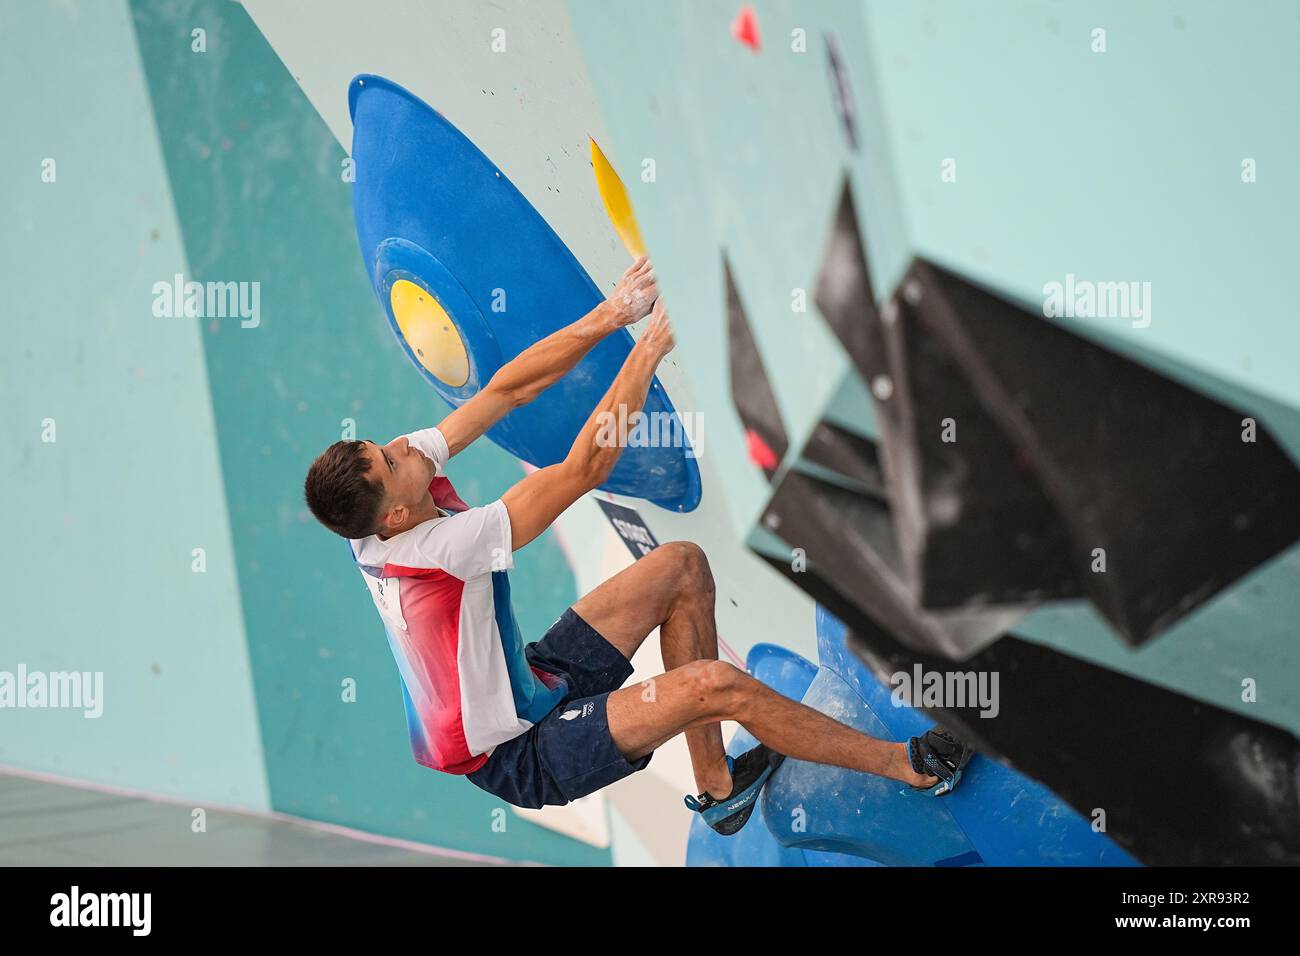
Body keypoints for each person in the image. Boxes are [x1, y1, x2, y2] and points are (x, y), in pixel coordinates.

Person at [304, 256, 972, 835]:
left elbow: (507, 388)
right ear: (395, 513)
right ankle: (911, 768)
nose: (401, 445)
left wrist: (612, 313)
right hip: (521, 754)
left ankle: (717, 784)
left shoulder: (373, 514)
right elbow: (582, 471)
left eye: (383, 445)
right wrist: (649, 346)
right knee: (713, 686)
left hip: (530, 682)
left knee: (680, 566)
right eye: (391, 459)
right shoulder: (440, 548)